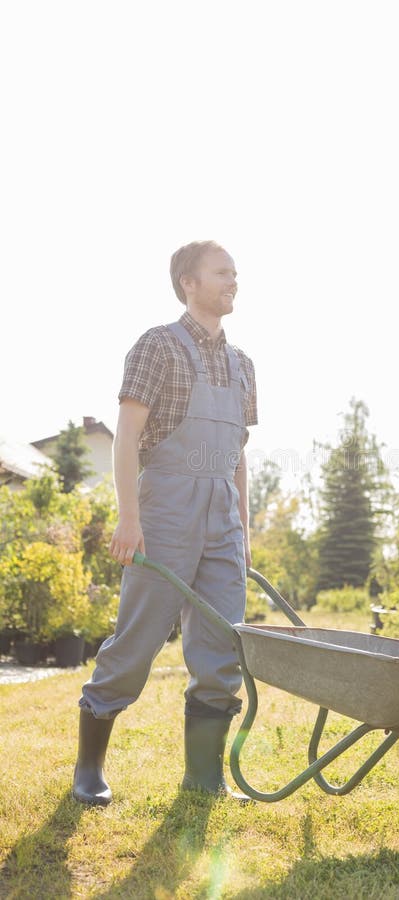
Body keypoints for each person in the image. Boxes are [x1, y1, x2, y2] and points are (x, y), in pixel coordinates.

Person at [73, 240, 257, 805]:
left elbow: (239, 451)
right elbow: (127, 436)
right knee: (136, 644)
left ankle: (203, 777)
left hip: (222, 516)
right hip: (165, 513)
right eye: (221, 272)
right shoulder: (157, 347)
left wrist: (243, 529)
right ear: (188, 283)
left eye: (235, 272)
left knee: (223, 646)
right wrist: (129, 519)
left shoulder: (242, 364)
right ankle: (89, 770)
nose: (234, 280)